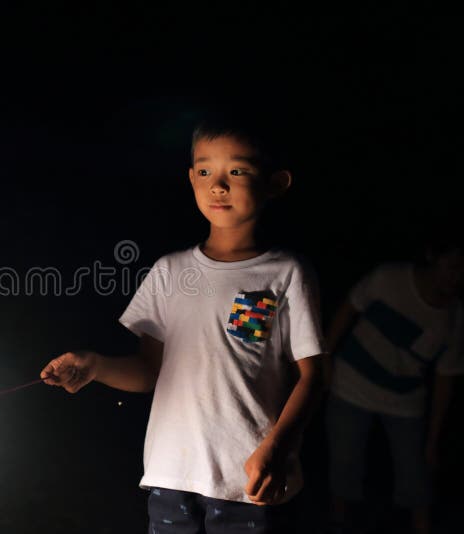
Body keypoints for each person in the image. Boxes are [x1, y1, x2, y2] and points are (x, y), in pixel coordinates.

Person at [41, 115, 327, 533]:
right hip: (171, 474)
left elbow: (314, 375)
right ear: (192, 178)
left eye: (238, 170)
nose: (219, 185)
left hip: (247, 478)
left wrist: (277, 448)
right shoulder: (169, 272)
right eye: (206, 170)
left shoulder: (285, 273)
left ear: (276, 182)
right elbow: (150, 372)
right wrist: (97, 366)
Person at [324, 231, 463, 534]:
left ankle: (421, 526)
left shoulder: (454, 318)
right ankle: (339, 521)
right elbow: (348, 308)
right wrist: (325, 359)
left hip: (406, 400)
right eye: (452, 266)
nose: (456, 277)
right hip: (352, 384)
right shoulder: (389, 279)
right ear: (432, 258)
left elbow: (445, 378)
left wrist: (433, 436)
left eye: (462, 271)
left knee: (416, 471)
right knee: (345, 461)